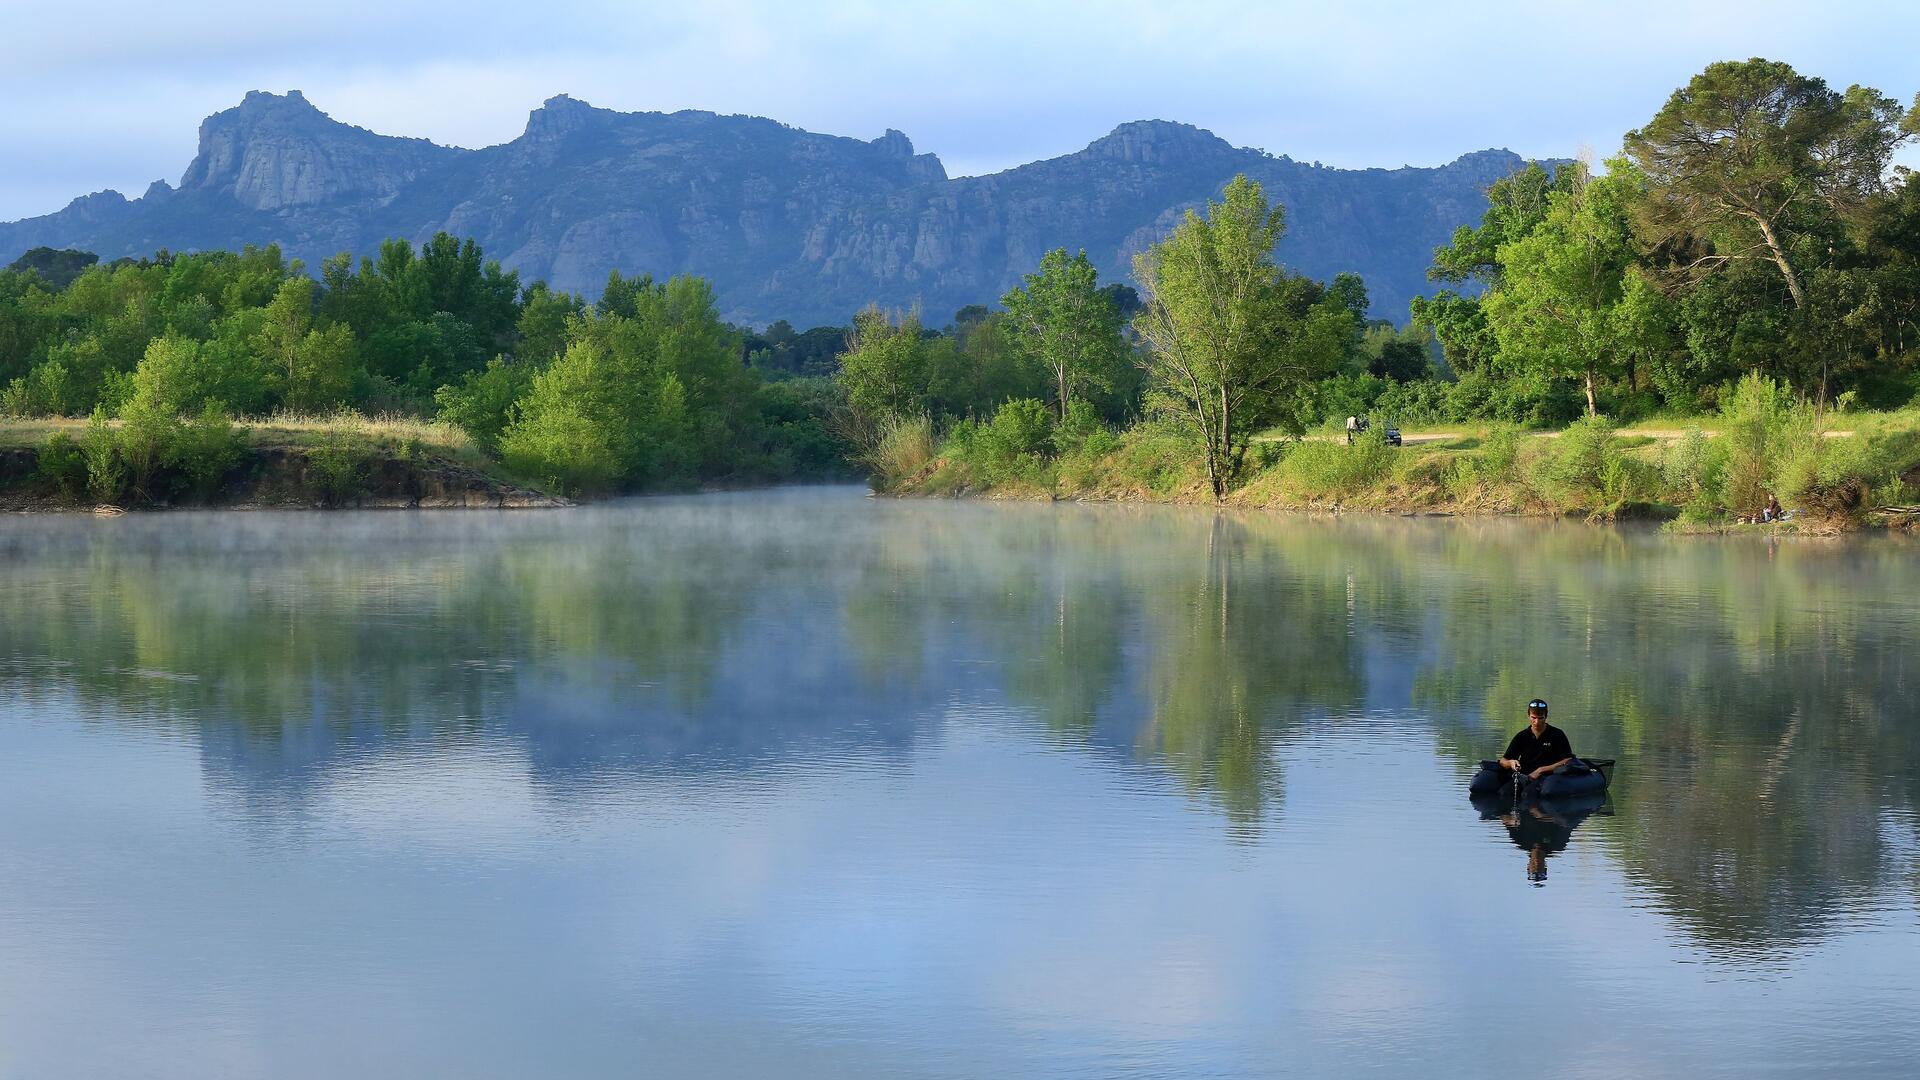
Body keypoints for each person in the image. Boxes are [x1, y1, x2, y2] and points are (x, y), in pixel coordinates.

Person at [1496, 698, 1573, 784]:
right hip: (1524, 776)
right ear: (1528, 716)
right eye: (1533, 718)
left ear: (1546, 717)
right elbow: (1503, 761)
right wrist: (1511, 762)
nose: (1537, 722)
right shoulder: (1521, 736)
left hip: (1548, 778)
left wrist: (1541, 770)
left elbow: (1568, 760)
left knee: (1530, 793)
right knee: (1504, 792)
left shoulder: (1557, 734)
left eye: (1541, 718)